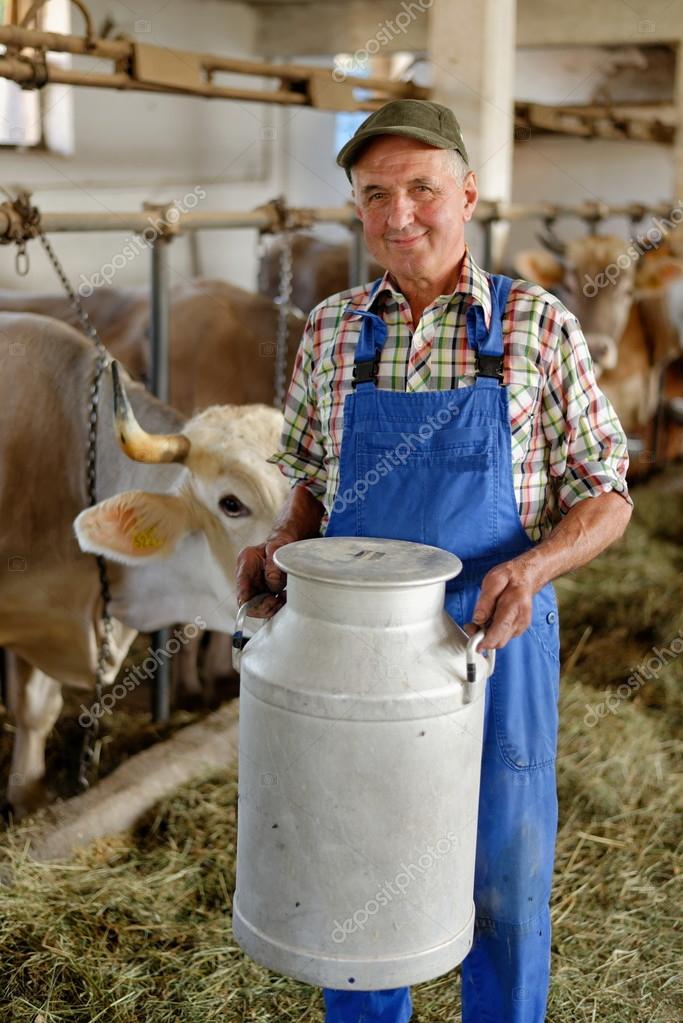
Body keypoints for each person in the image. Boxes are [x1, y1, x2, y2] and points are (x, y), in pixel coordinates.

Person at [236, 99, 632, 1023]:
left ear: (467, 192)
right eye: (375, 194)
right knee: (357, 859)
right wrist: (281, 546)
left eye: (421, 188)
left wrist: (532, 570)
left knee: (504, 864)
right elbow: (311, 487)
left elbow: (607, 493)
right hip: (356, 645)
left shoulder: (535, 326)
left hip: (494, 637)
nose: (399, 214)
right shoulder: (334, 331)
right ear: (357, 207)